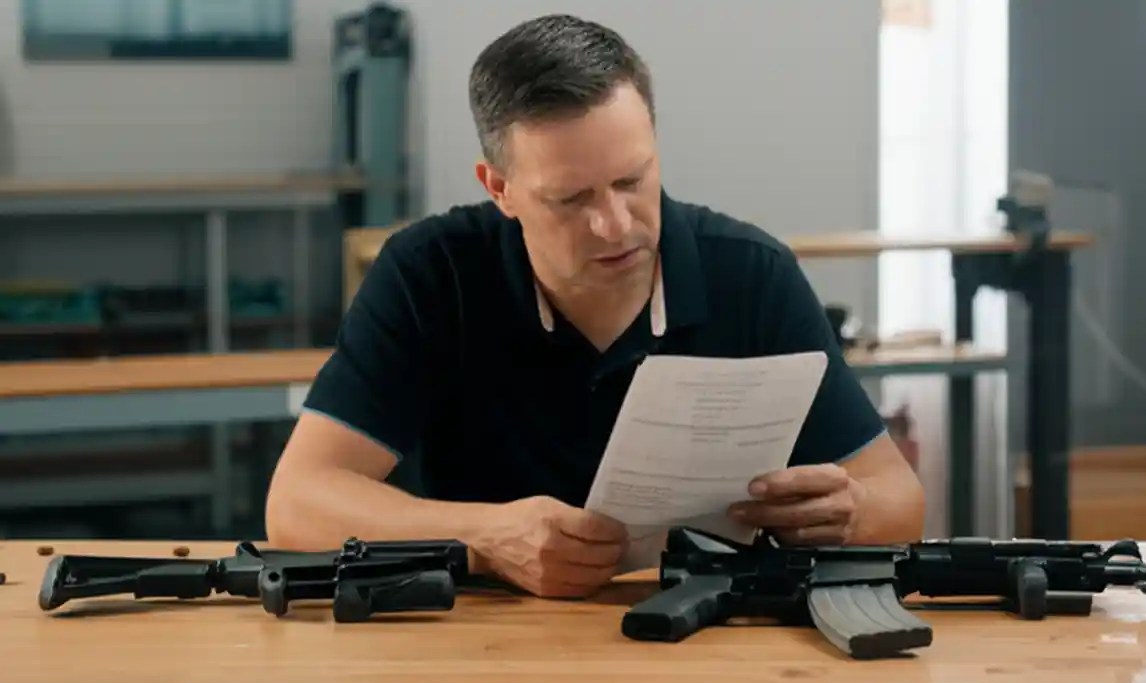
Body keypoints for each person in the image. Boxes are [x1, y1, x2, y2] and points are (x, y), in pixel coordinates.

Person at [265, 13, 924, 599]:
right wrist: (484, 536)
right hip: (485, 646)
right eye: (572, 199)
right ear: (499, 188)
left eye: (632, 180)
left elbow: (900, 501)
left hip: (714, 641)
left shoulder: (752, 274)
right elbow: (297, 503)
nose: (615, 225)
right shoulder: (431, 274)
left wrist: (851, 513)